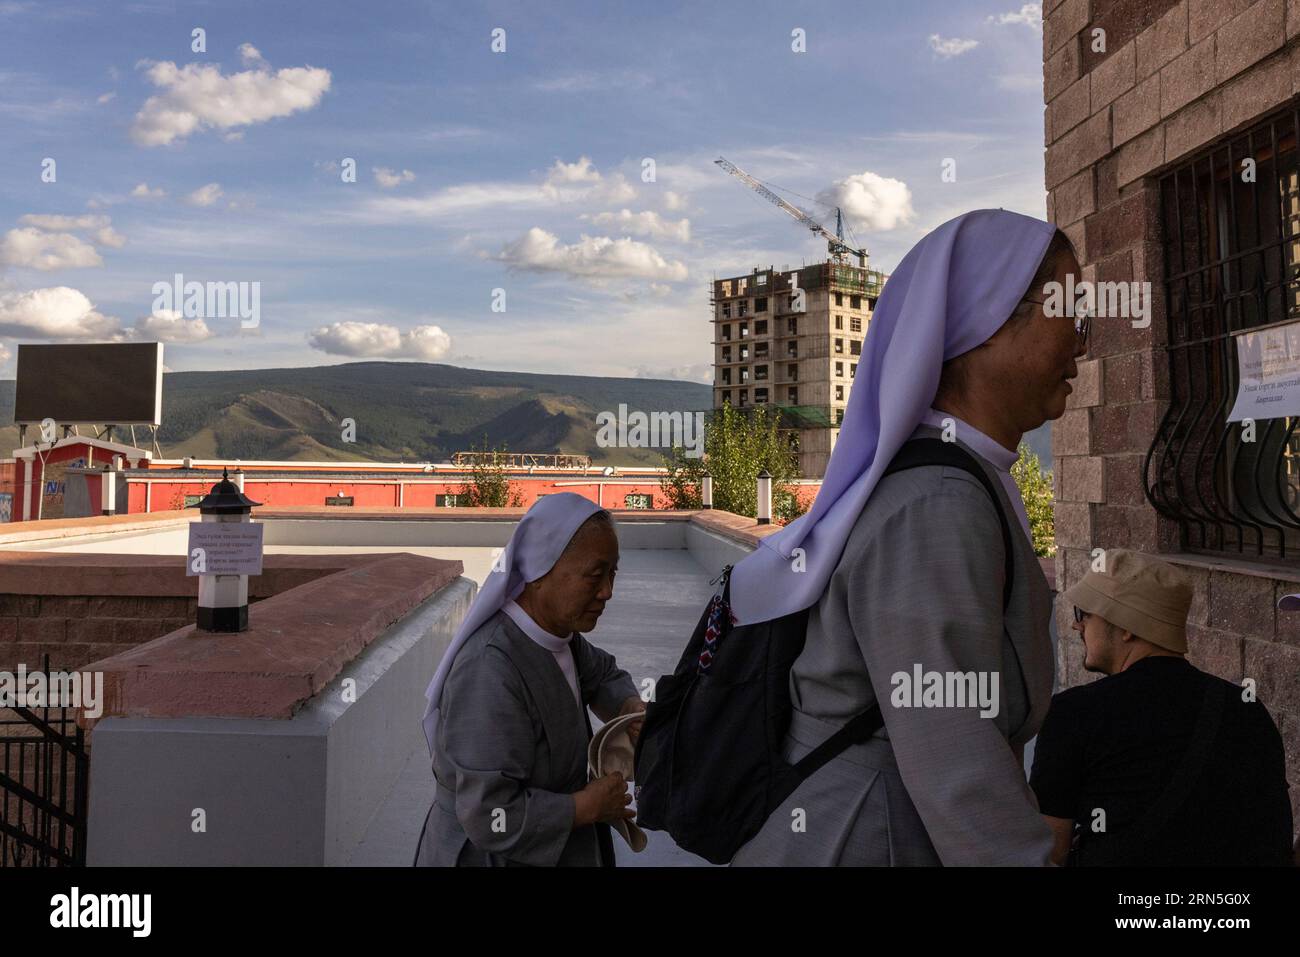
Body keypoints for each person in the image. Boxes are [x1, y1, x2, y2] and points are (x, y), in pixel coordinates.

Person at [730, 209, 1085, 866]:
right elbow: (955, 761)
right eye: (1069, 305)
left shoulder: (959, 476)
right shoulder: (937, 502)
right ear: (987, 320)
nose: (1083, 339)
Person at [414, 493, 646, 866]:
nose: (607, 592)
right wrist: (583, 808)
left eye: (612, 573)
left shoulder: (558, 636)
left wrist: (628, 706)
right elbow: (489, 814)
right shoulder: (489, 670)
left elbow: (602, 674)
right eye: (595, 574)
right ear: (540, 571)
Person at [1030, 549, 1293, 866]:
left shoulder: (1073, 713)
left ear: (1126, 627)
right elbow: (1272, 834)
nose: (1078, 626)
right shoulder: (1247, 709)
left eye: (1084, 613)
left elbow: (1048, 851)